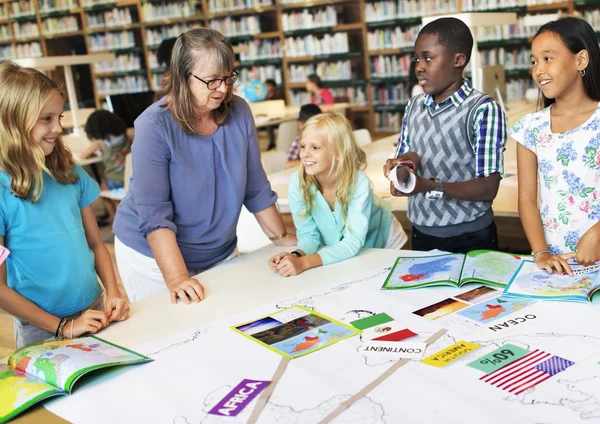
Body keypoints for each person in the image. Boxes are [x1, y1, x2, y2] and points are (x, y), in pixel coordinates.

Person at [113, 28, 296, 304]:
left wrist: (282, 237)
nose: (222, 88)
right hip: (152, 257)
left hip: (219, 252)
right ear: (181, 78)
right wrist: (177, 280)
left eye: (228, 77)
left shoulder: (240, 112)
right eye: (211, 80)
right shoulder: (153, 126)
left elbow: (256, 187)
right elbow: (154, 216)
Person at [0, 62, 129, 348]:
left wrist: (114, 292)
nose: (58, 127)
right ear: (13, 121)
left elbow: (96, 244)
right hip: (41, 328)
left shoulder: (69, 172)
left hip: (94, 309)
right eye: (46, 118)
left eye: (59, 116)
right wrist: (63, 327)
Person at [383, 17, 507, 253]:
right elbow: (412, 153)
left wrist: (430, 186)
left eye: (428, 58)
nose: (419, 66)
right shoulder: (413, 106)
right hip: (421, 232)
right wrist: (401, 167)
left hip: (470, 236)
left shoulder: (482, 109)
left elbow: (488, 187)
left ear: (458, 60)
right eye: (417, 59)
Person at [510, 17, 600, 274]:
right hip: (556, 266)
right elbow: (527, 199)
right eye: (534, 61)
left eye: (548, 59)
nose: (538, 70)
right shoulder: (530, 127)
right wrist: (542, 253)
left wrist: (598, 233)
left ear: (580, 60)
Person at [269, 112, 407, 277]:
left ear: (338, 152)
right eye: (303, 146)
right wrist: (296, 255)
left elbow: (352, 242)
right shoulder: (298, 183)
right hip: (343, 251)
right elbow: (308, 235)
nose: (305, 154)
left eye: (315, 148)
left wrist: (304, 263)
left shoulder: (358, 183)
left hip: (383, 242)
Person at [80, 109, 132, 224]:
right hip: (130, 177)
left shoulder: (100, 143)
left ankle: (114, 218)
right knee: (116, 191)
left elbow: (83, 156)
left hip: (114, 180)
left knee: (103, 190)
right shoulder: (125, 137)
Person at [286, 103, 322, 168]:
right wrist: (309, 161)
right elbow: (288, 164)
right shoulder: (298, 142)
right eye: (310, 126)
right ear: (300, 124)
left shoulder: (324, 140)